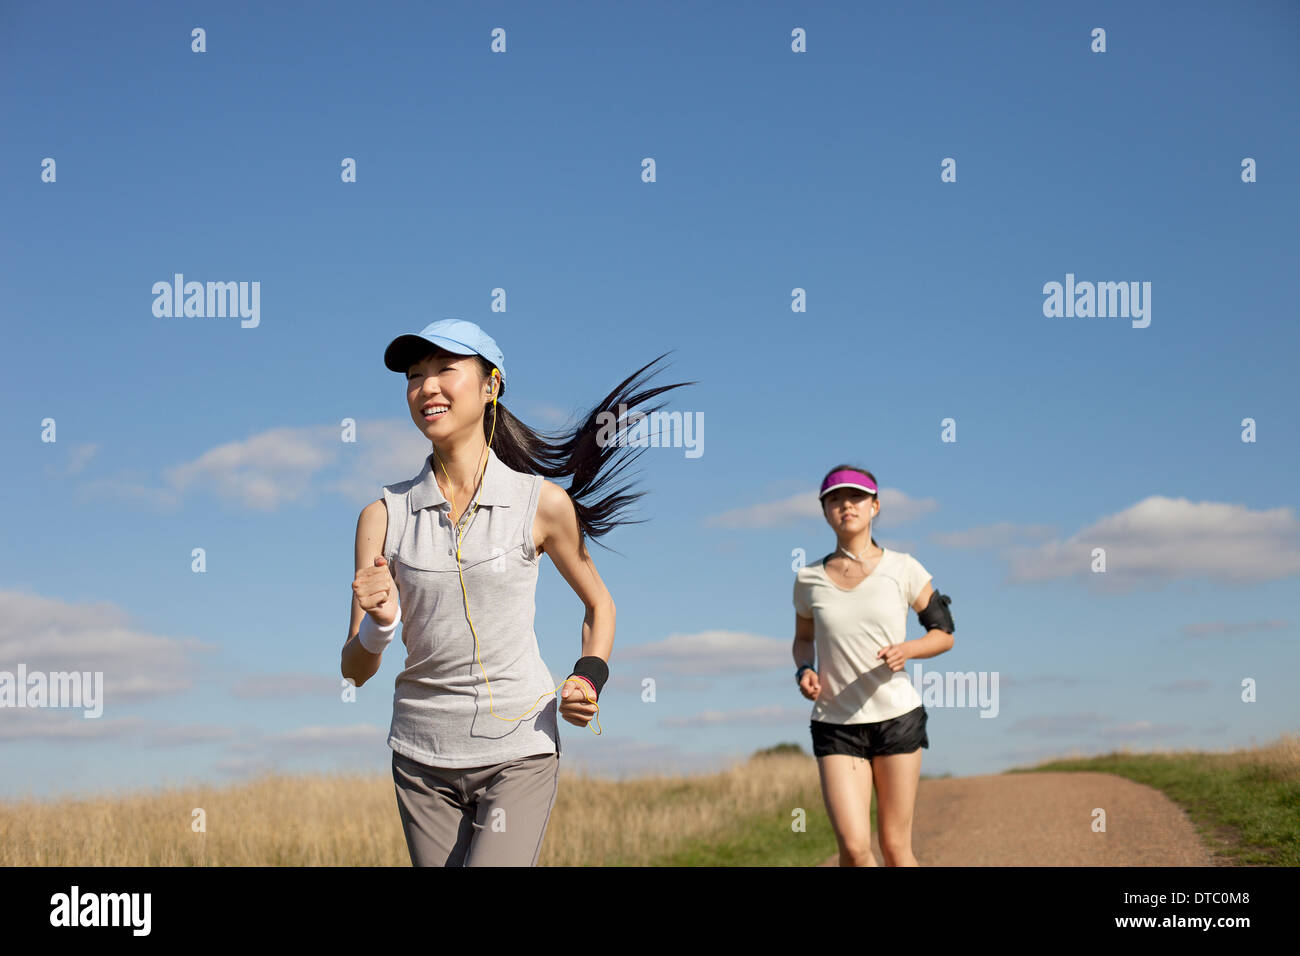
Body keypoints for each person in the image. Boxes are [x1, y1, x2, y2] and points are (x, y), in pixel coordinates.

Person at [341, 319, 693, 866]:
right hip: (420, 757)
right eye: (414, 376)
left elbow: (600, 604)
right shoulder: (382, 517)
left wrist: (588, 676)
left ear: (491, 385)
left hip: (519, 748)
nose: (426, 387)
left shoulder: (542, 504)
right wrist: (380, 625)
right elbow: (355, 670)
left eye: (444, 370)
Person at [791, 465, 956, 867]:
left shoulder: (904, 568)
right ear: (824, 510)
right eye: (834, 499)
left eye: (856, 498)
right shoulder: (808, 578)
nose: (845, 505)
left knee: (895, 848)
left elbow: (944, 633)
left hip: (896, 717)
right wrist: (804, 670)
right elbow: (803, 640)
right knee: (853, 847)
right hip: (835, 722)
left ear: (875, 506)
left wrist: (909, 650)